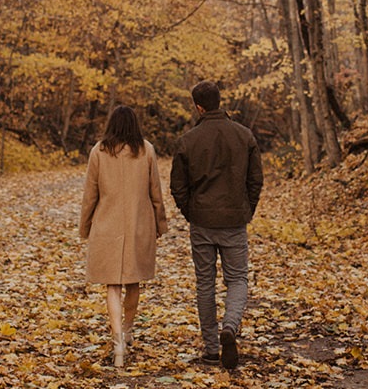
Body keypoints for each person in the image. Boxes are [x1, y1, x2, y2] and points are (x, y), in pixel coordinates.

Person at [169, 80, 263, 370]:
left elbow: (178, 187)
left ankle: (211, 350)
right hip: (234, 221)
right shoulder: (245, 136)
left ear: (198, 106)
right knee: (237, 279)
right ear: (219, 102)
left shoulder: (187, 141)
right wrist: (246, 209)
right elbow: (255, 180)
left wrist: (191, 212)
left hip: (202, 222)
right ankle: (230, 327)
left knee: (205, 284)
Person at [80, 106, 168, 368]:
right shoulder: (146, 150)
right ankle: (128, 331)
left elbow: (90, 194)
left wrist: (85, 226)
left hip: (107, 225)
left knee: (112, 285)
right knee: (133, 282)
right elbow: (156, 192)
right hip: (138, 225)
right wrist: (160, 223)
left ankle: (118, 342)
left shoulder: (99, 151)